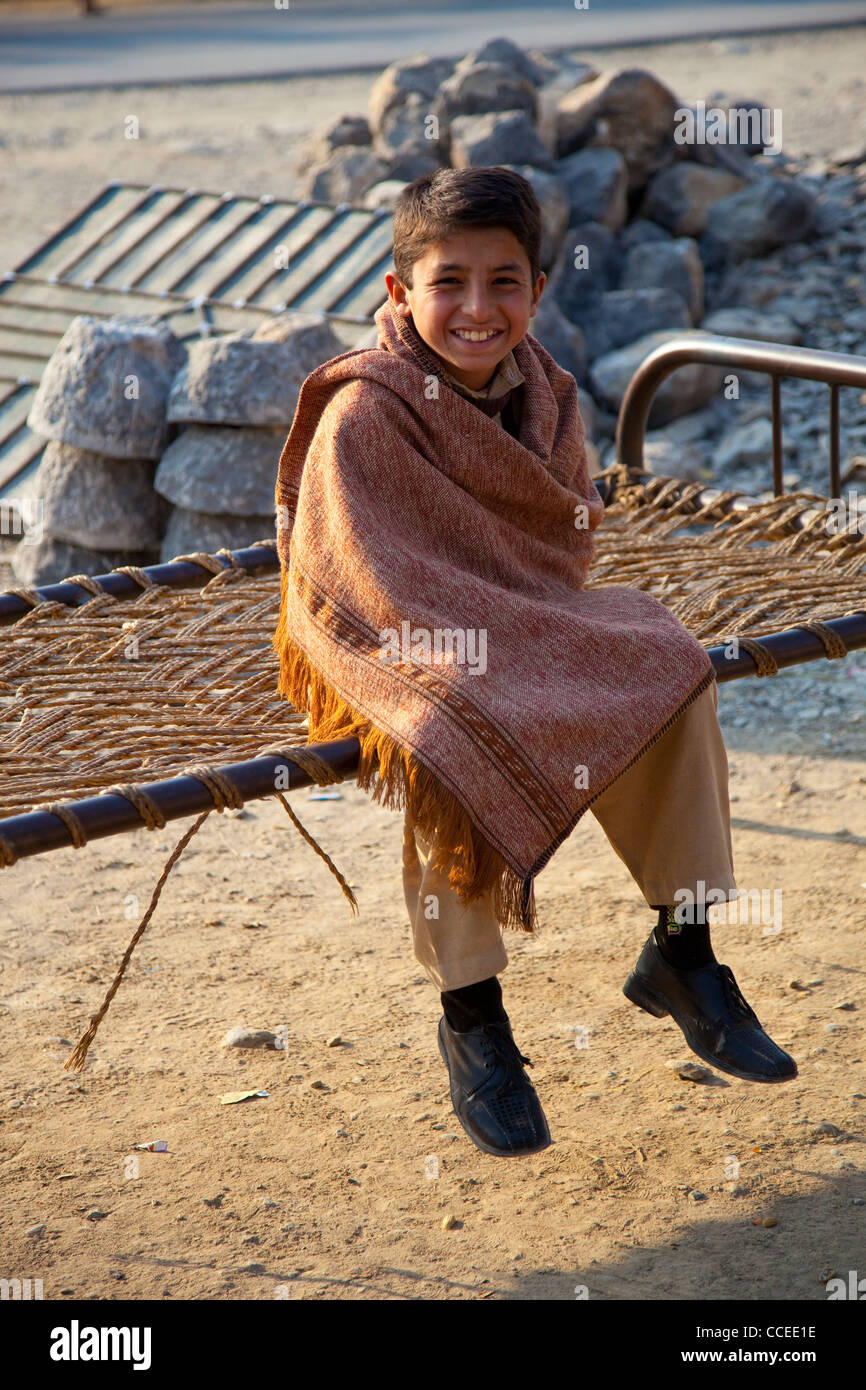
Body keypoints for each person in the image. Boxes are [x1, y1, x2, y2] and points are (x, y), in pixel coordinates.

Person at [273, 166, 796, 1160]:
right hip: (389, 630)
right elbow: (362, 573)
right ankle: (471, 1017)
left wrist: (519, 621)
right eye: (449, 282)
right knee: (444, 719)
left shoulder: (542, 393)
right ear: (399, 294)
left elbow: (553, 547)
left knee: (665, 655)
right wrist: (473, 643)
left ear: (536, 290)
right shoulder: (365, 414)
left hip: (513, 613)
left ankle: (682, 952)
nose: (477, 308)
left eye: (502, 281)